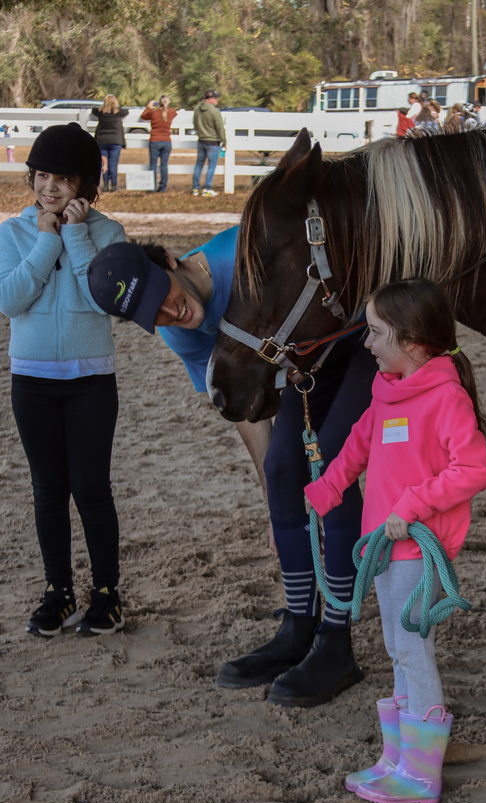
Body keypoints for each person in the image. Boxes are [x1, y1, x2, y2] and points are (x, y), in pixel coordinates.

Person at [87, 233, 378, 707]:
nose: (168, 313)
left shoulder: (243, 254)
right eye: (150, 315)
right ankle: (298, 625)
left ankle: (337, 639)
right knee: (284, 470)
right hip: (306, 365)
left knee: (327, 465)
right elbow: (244, 409)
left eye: (162, 293)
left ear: (168, 259)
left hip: (362, 334)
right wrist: (274, 503)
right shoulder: (178, 332)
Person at [304, 278, 486, 803]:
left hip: (416, 546)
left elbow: (474, 468)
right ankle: (401, 758)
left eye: (376, 332)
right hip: (383, 546)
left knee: (412, 651)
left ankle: (422, 774)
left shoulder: (445, 398)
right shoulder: (388, 388)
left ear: (412, 342)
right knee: (397, 649)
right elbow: (359, 445)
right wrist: (326, 489)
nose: (366, 343)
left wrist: (410, 505)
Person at [0, 123, 127, 638]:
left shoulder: (108, 234)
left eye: (64, 178)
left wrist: (73, 237)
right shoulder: (11, 233)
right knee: (48, 490)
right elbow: (10, 301)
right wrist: (45, 241)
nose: (50, 187)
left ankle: (106, 594)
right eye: (43, 175)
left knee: (92, 489)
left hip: (91, 380)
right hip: (31, 382)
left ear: (85, 185)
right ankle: (57, 590)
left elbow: (103, 301)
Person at [192, 89, 226, 197]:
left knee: (199, 165)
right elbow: (220, 128)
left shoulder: (197, 109)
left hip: (201, 140)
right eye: (215, 98)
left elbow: (195, 124)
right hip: (213, 142)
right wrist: (224, 141)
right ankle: (207, 188)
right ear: (210, 99)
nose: (217, 100)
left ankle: (195, 188)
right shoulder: (215, 111)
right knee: (211, 166)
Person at [92, 94, 129, 191]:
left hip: (102, 141)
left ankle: (105, 185)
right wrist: (116, 106)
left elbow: (93, 110)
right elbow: (127, 111)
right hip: (115, 141)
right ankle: (113, 184)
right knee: (113, 164)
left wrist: (104, 106)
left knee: (104, 164)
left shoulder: (100, 113)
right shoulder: (119, 113)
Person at [141, 95, 177, 192]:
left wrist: (149, 107)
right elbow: (174, 113)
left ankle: (151, 187)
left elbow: (143, 116)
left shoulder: (153, 113)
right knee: (164, 165)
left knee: (153, 164)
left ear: (158, 103)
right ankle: (163, 187)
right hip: (166, 141)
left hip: (154, 140)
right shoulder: (171, 112)